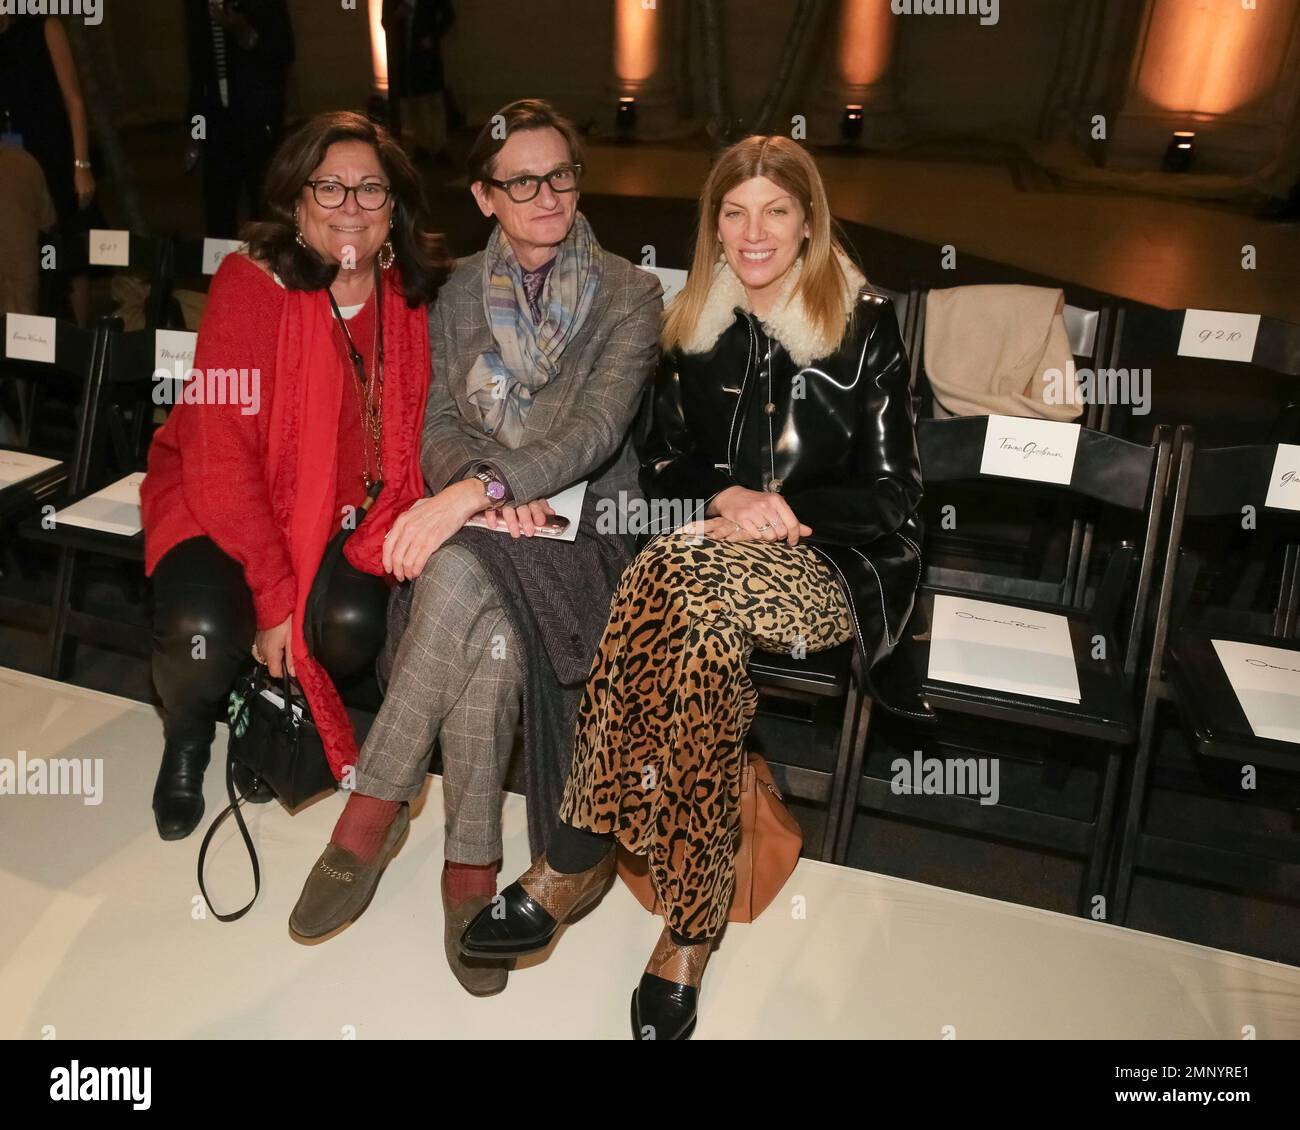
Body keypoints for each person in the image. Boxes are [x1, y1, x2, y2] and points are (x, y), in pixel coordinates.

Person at [460, 135, 924, 1039]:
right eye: (734, 212)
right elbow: (664, 461)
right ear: (714, 223)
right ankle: (689, 928)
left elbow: (893, 494)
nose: (754, 233)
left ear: (807, 222)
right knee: (696, 626)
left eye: (775, 212)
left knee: (664, 570)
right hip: (708, 565)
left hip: (838, 563)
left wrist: (780, 509)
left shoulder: (864, 320)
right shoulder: (692, 322)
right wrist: (727, 495)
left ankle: (574, 852)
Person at [289, 99, 662, 998]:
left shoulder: (629, 291)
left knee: (457, 569)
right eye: (521, 181)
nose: (547, 195)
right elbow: (439, 422)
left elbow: (596, 431)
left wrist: (485, 490)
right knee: (482, 608)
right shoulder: (456, 292)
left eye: (561, 174)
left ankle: (372, 808)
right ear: (486, 196)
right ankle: (471, 867)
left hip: (589, 532)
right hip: (491, 526)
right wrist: (481, 491)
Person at [140, 111, 451, 841]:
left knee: (351, 623)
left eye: (371, 190)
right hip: (223, 499)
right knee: (203, 629)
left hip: (343, 512)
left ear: (394, 206)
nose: (351, 208)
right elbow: (219, 458)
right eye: (330, 188)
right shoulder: (253, 285)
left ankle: (266, 700)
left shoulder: (411, 296)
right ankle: (187, 736)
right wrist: (275, 600)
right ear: (296, 202)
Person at [0, 13, 101, 326]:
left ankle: (80, 346)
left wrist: (81, 164)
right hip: (13, 173)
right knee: (24, 261)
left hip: (54, 159)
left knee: (72, 255)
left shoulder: (45, 27)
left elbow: (74, 102)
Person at [184, 0, 295, 238]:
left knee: (264, 202)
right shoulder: (196, 6)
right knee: (218, 208)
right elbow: (197, 70)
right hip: (215, 123)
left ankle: (267, 267)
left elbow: (283, 51)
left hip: (257, 120)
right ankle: (222, 270)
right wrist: (194, 135)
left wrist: (243, 31)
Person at [382, 0, 455, 163]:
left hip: (427, 56)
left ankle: (438, 145)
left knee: (433, 101)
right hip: (405, 57)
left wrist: (433, 37)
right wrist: (396, 16)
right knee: (414, 103)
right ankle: (422, 144)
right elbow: (385, 21)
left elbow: (448, 17)